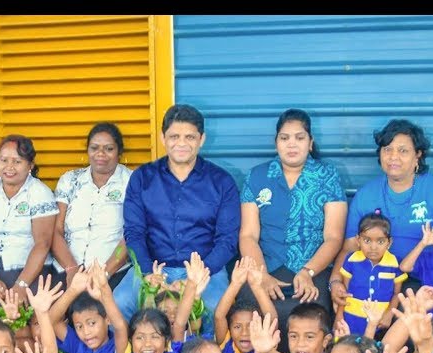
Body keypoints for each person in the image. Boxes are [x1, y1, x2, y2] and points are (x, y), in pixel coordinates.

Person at [115, 104, 240, 326]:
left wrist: (196, 278)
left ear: (201, 139)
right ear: (163, 138)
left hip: (205, 271)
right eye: (174, 136)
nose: (181, 143)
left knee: (214, 308)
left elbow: (227, 240)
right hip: (153, 267)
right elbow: (134, 232)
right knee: (121, 301)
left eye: (189, 137)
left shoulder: (222, 182)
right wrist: (147, 274)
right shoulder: (142, 178)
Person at [237, 108, 346, 320]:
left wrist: (308, 272)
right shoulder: (257, 176)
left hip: (313, 268)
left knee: (310, 319)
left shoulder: (327, 176)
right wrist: (262, 275)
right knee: (249, 315)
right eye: (284, 138)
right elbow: (248, 235)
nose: (292, 144)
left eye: (299, 137)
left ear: (310, 142)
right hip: (266, 264)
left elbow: (334, 237)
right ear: (276, 142)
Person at [340, 118, 433, 281]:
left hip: (429, 281)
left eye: (403, 151)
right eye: (387, 149)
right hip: (377, 280)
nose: (393, 157)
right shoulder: (366, 194)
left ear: (417, 156)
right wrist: (335, 282)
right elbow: (350, 248)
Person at [0, 135, 57, 324]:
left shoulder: (39, 193)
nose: (9, 167)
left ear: (30, 165)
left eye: (17, 161)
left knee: (27, 336)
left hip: (30, 274)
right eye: (4, 160)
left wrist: (21, 285)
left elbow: (43, 243)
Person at [51, 122, 133, 288]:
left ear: (119, 152)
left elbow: (131, 236)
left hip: (114, 273)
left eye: (109, 149)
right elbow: (55, 230)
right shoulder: (70, 180)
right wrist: (72, 270)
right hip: (66, 270)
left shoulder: (132, 182)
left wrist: (104, 275)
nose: (100, 154)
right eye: (94, 148)